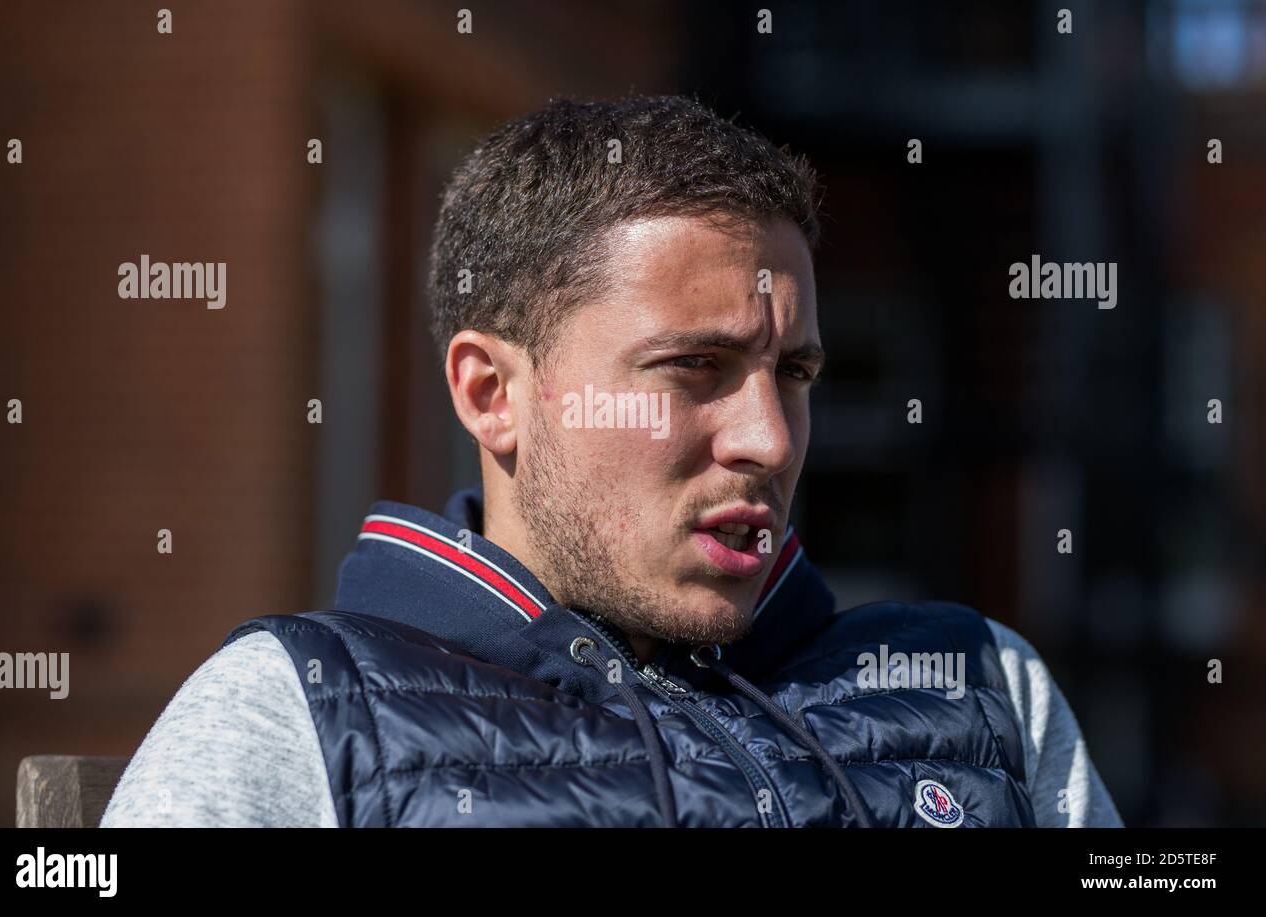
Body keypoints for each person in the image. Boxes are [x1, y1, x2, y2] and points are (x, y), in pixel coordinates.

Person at [101, 94, 1122, 828]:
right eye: (693, 367)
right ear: (492, 394)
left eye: (795, 372)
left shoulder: (975, 686)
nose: (768, 437)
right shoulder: (306, 713)